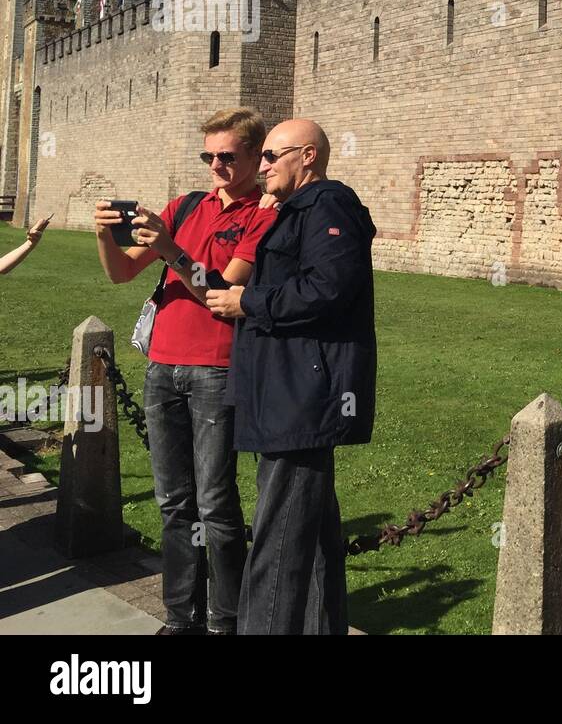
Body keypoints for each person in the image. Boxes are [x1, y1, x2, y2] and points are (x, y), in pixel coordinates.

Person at [93, 108, 277, 635]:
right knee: (174, 502)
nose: (216, 165)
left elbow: (220, 294)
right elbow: (122, 272)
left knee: (216, 504)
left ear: (253, 157)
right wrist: (106, 234)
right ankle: (181, 617)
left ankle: (227, 620)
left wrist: (169, 248)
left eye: (227, 156)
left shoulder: (261, 218)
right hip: (162, 368)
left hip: (216, 370)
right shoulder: (186, 205)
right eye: (208, 155)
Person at [205, 118, 376, 635]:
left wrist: (248, 301)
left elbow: (329, 287)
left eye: (271, 156)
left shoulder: (328, 204)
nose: (260, 166)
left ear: (307, 156)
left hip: (300, 397)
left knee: (277, 544)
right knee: (315, 536)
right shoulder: (289, 211)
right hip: (281, 392)